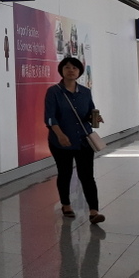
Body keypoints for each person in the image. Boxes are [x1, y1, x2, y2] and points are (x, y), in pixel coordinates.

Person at [45, 56, 105, 223]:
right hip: (60, 141)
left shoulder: (85, 92)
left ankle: (94, 211)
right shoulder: (54, 92)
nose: (71, 70)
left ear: (79, 72)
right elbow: (50, 118)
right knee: (65, 173)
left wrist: (96, 118)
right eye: (67, 68)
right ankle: (66, 204)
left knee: (87, 175)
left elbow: (90, 112)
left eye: (74, 68)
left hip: (84, 140)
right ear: (62, 71)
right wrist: (60, 135)